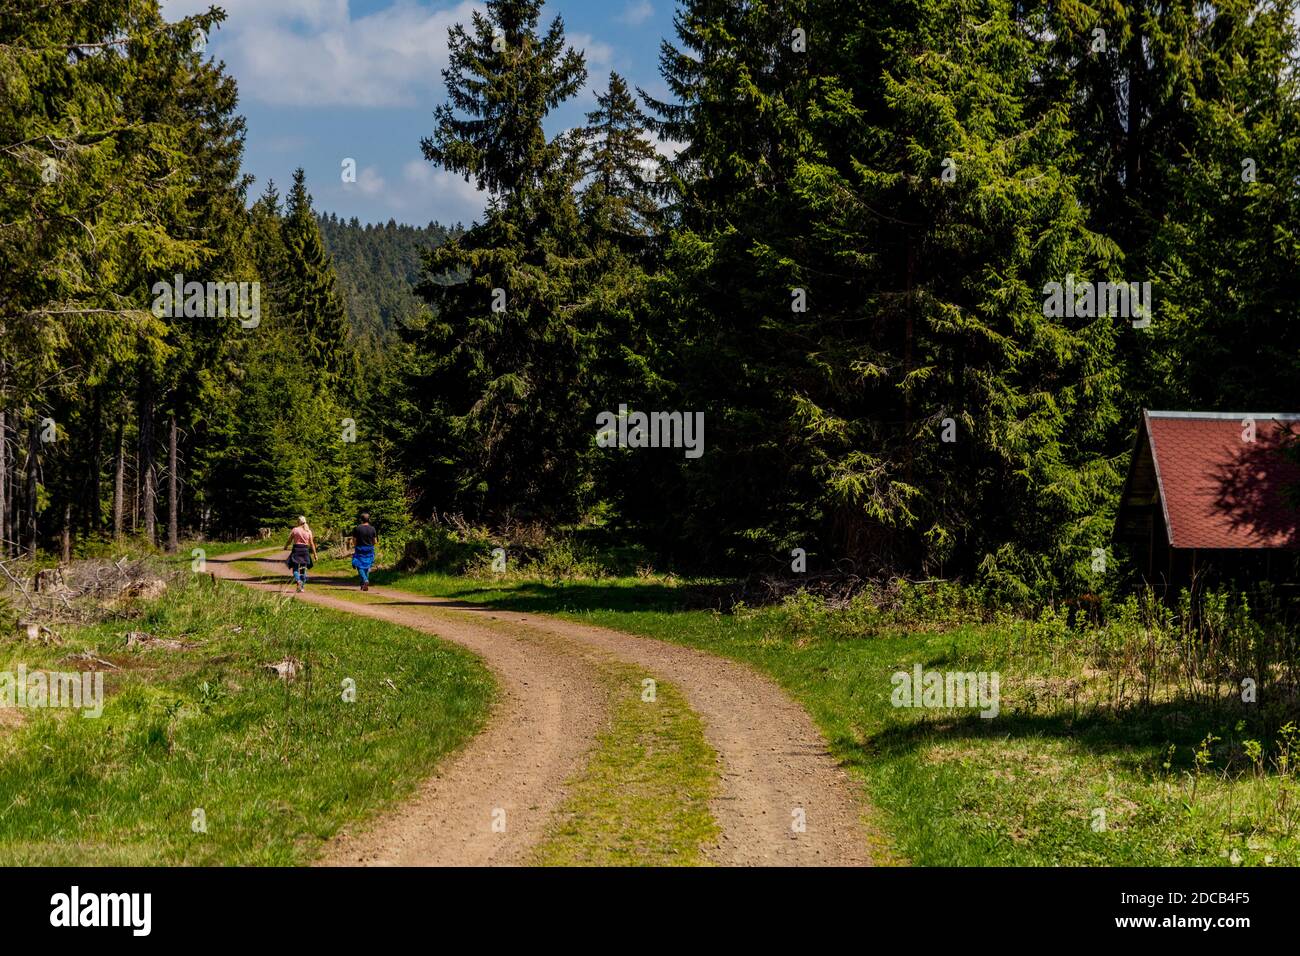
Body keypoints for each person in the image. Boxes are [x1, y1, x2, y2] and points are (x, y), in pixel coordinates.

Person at [284, 516, 317, 592]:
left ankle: (298, 581)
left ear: (298, 522)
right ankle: (301, 587)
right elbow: (311, 543)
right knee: (303, 569)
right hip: (305, 550)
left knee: (295, 568)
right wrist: (315, 554)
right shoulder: (308, 531)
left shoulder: (295, 530)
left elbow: (289, 540)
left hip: (296, 549)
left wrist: (286, 546)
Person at [351, 512, 378, 591]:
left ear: (361, 520)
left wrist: (356, 546)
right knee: (367, 565)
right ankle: (363, 585)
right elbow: (375, 541)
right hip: (369, 549)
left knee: (359, 565)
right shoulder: (372, 528)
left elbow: (354, 541)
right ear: (369, 519)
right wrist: (370, 545)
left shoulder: (357, 528)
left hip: (360, 549)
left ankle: (365, 580)